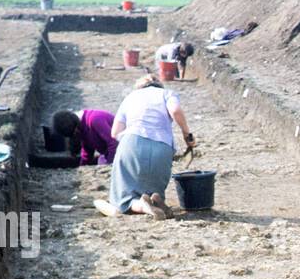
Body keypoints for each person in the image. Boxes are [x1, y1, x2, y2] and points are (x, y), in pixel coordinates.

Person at [94, 76, 194, 221]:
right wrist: (187, 135)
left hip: (132, 141)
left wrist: (130, 142)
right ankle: (155, 201)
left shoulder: (131, 97)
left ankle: (142, 205)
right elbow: (176, 111)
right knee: (154, 188)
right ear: (159, 86)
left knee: (123, 199)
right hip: (163, 146)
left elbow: (115, 133)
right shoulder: (167, 94)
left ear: (140, 87)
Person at [51, 108, 117, 166]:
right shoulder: (81, 126)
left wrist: (109, 164)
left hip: (121, 149)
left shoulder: (95, 119)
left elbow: (114, 143)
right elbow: (87, 150)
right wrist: (82, 167)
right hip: (108, 153)